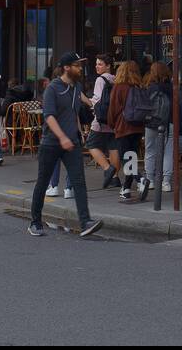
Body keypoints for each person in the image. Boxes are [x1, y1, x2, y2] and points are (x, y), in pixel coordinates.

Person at [28, 53, 102, 238]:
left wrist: (80, 132)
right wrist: (62, 137)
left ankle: (85, 222)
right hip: (52, 143)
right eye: (77, 65)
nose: (81, 68)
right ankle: (35, 222)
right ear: (67, 67)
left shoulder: (76, 87)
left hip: (72, 143)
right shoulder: (52, 88)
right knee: (43, 182)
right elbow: (49, 116)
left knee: (79, 181)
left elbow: (74, 112)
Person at [108, 60, 146, 201]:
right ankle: (126, 188)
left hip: (123, 127)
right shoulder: (139, 86)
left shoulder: (119, 87)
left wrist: (112, 125)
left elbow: (112, 110)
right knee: (132, 157)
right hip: (138, 127)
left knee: (126, 158)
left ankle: (140, 178)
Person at [141, 61, 174, 201]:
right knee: (168, 151)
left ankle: (150, 180)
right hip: (169, 122)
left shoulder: (150, 87)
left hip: (151, 123)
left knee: (150, 151)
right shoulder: (170, 88)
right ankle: (166, 182)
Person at [86, 55, 118, 186]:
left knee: (91, 144)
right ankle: (115, 178)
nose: (97, 66)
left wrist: (87, 101)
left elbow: (97, 100)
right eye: (96, 64)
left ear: (108, 65)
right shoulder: (116, 79)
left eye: (100, 64)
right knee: (113, 147)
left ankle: (108, 168)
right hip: (113, 120)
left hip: (101, 120)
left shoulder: (100, 80)